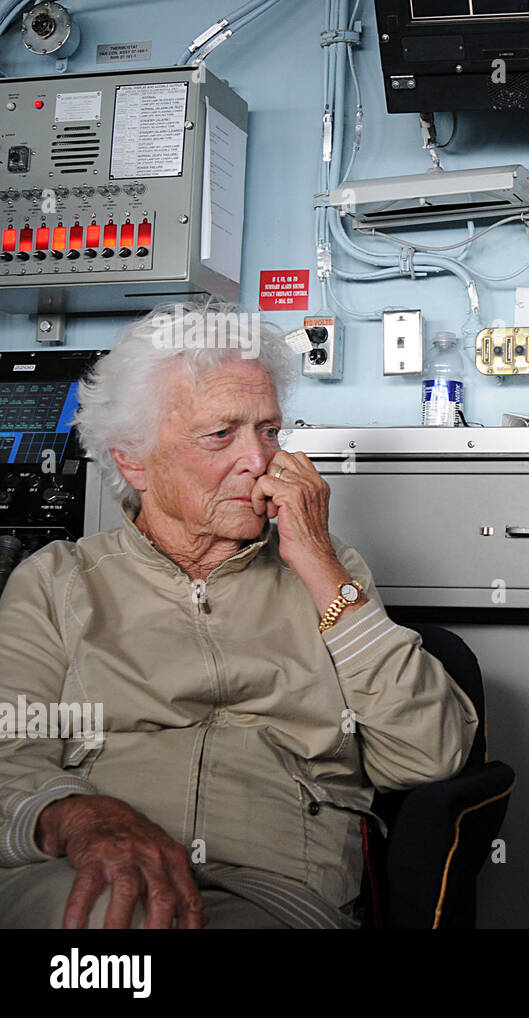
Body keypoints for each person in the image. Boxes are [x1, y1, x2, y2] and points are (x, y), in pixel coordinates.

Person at [0, 301, 478, 929]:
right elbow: (10, 751)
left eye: (270, 430)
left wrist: (319, 564)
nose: (260, 461)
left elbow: (428, 754)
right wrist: (80, 817)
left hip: (272, 889)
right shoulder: (57, 582)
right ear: (133, 460)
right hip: (88, 874)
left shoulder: (329, 571)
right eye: (221, 434)